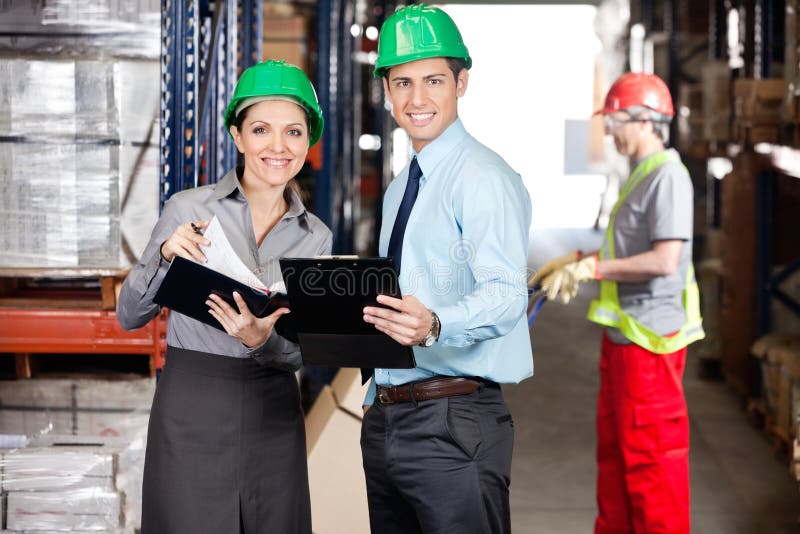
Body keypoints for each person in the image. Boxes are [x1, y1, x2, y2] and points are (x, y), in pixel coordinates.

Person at [116, 60, 331, 534]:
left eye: (294, 132)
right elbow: (129, 315)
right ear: (238, 136)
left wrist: (263, 341)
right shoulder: (187, 209)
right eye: (261, 130)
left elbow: (302, 350)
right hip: (192, 407)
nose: (278, 146)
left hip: (273, 413)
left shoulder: (315, 237)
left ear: (308, 142)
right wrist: (166, 258)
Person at [359, 5, 532, 534]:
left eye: (433, 80)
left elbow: (506, 293)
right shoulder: (400, 188)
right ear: (386, 92)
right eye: (402, 82)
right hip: (389, 416)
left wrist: (434, 324)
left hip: (453, 421)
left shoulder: (482, 177)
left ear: (462, 83)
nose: (417, 99)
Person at [531, 72, 704, 534]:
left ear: (645, 121)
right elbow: (631, 246)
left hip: (651, 345)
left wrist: (595, 270)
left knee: (652, 467)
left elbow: (665, 259)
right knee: (616, 459)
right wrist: (580, 257)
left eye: (615, 122)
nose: (609, 132)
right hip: (625, 339)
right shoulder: (643, 175)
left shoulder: (668, 177)